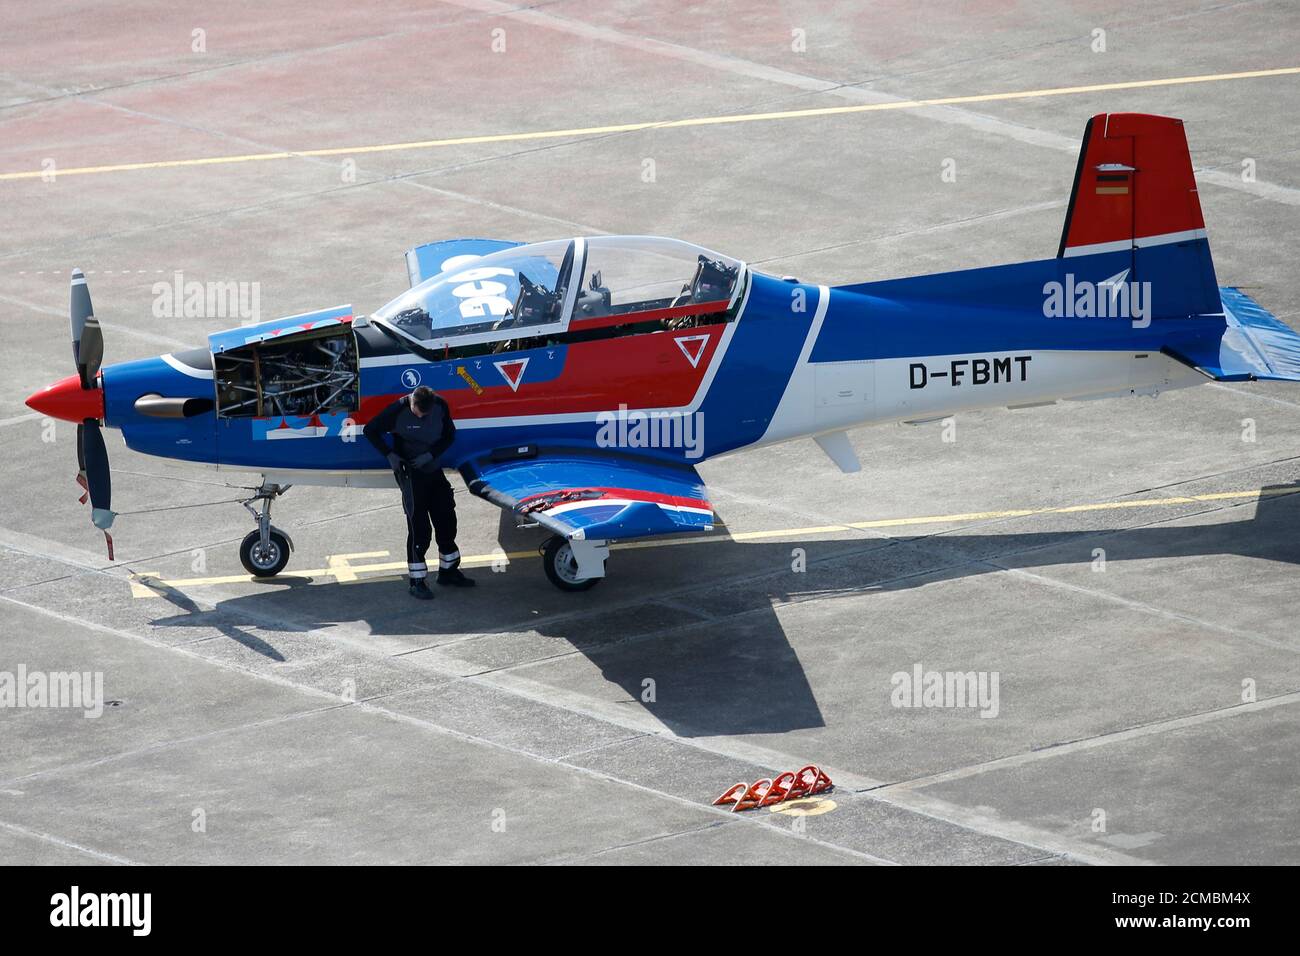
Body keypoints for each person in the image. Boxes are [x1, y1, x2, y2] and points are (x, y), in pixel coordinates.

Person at [363, 385, 475, 599]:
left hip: (433, 469)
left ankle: (448, 572)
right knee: (420, 530)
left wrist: (431, 455)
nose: (422, 416)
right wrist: (390, 455)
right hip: (411, 476)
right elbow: (371, 430)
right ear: (412, 402)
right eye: (418, 413)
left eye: (426, 414)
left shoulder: (440, 405)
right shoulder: (398, 410)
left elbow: (449, 436)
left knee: (447, 520)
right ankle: (417, 581)